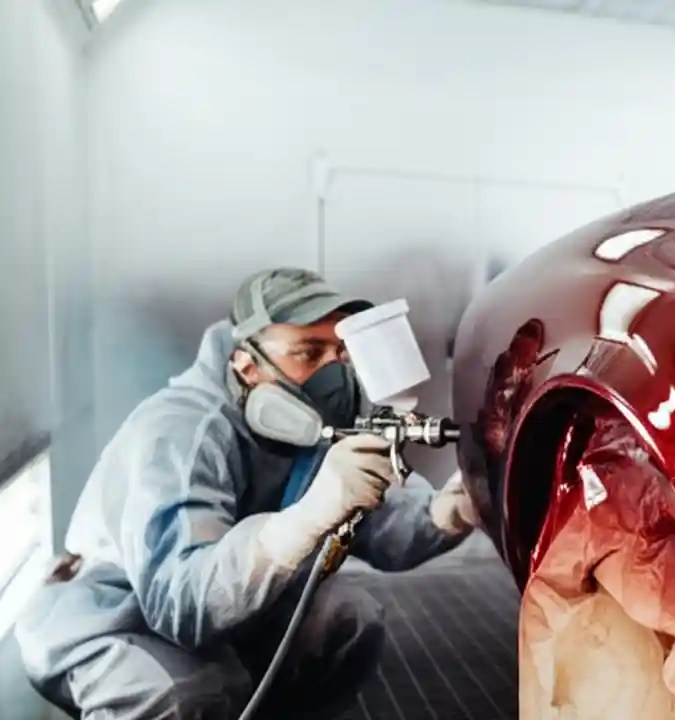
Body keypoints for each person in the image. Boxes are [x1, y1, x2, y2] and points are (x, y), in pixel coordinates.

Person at [15, 268, 480, 719]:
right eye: (308, 351)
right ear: (247, 364)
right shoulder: (181, 433)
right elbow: (181, 607)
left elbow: (388, 530)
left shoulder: (320, 421)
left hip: (230, 605)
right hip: (116, 616)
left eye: (340, 352)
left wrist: (448, 512)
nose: (332, 373)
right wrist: (304, 520)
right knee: (179, 694)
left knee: (346, 621)